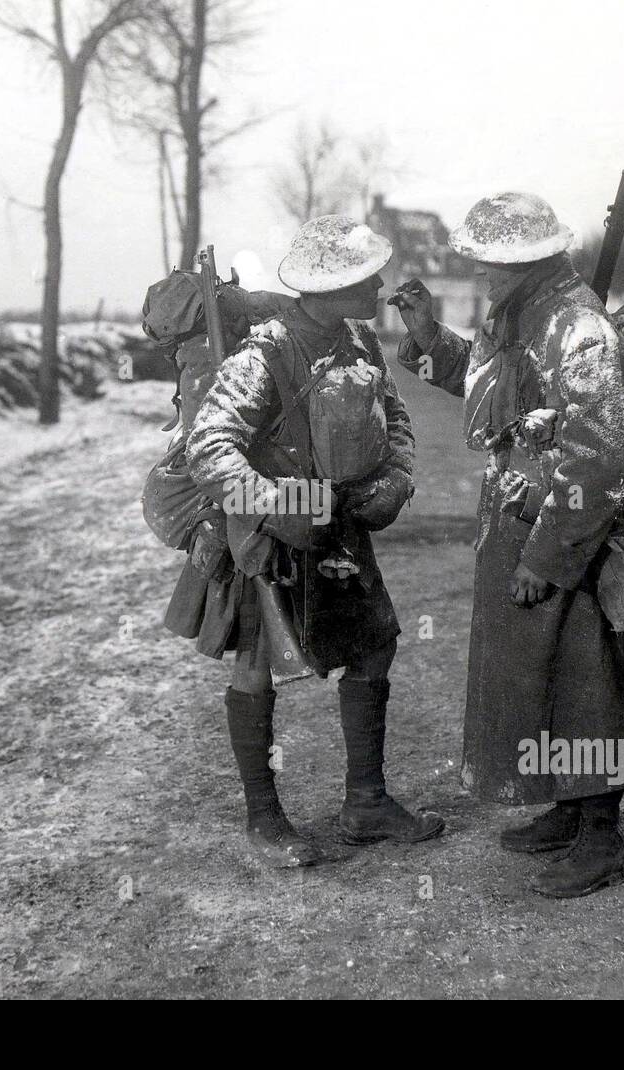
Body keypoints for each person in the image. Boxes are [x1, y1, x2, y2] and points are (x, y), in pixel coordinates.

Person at [391, 192, 624, 897]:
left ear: (528, 261)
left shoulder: (579, 326)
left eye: (489, 263)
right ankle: (570, 807)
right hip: (521, 520)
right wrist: (429, 335)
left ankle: (602, 835)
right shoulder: (516, 313)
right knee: (547, 675)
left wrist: (546, 558)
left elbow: (600, 460)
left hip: (576, 533)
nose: (478, 273)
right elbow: (489, 394)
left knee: (592, 677)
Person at [184, 215, 445, 868]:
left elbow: (396, 413)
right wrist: (276, 504)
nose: (381, 283)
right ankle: (265, 821)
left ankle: (366, 803)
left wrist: (399, 473)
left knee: (374, 644)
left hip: (343, 526)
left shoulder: (358, 342)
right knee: (257, 665)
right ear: (334, 285)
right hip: (270, 537)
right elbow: (208, 448)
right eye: (367, 276)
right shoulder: (265, 351)